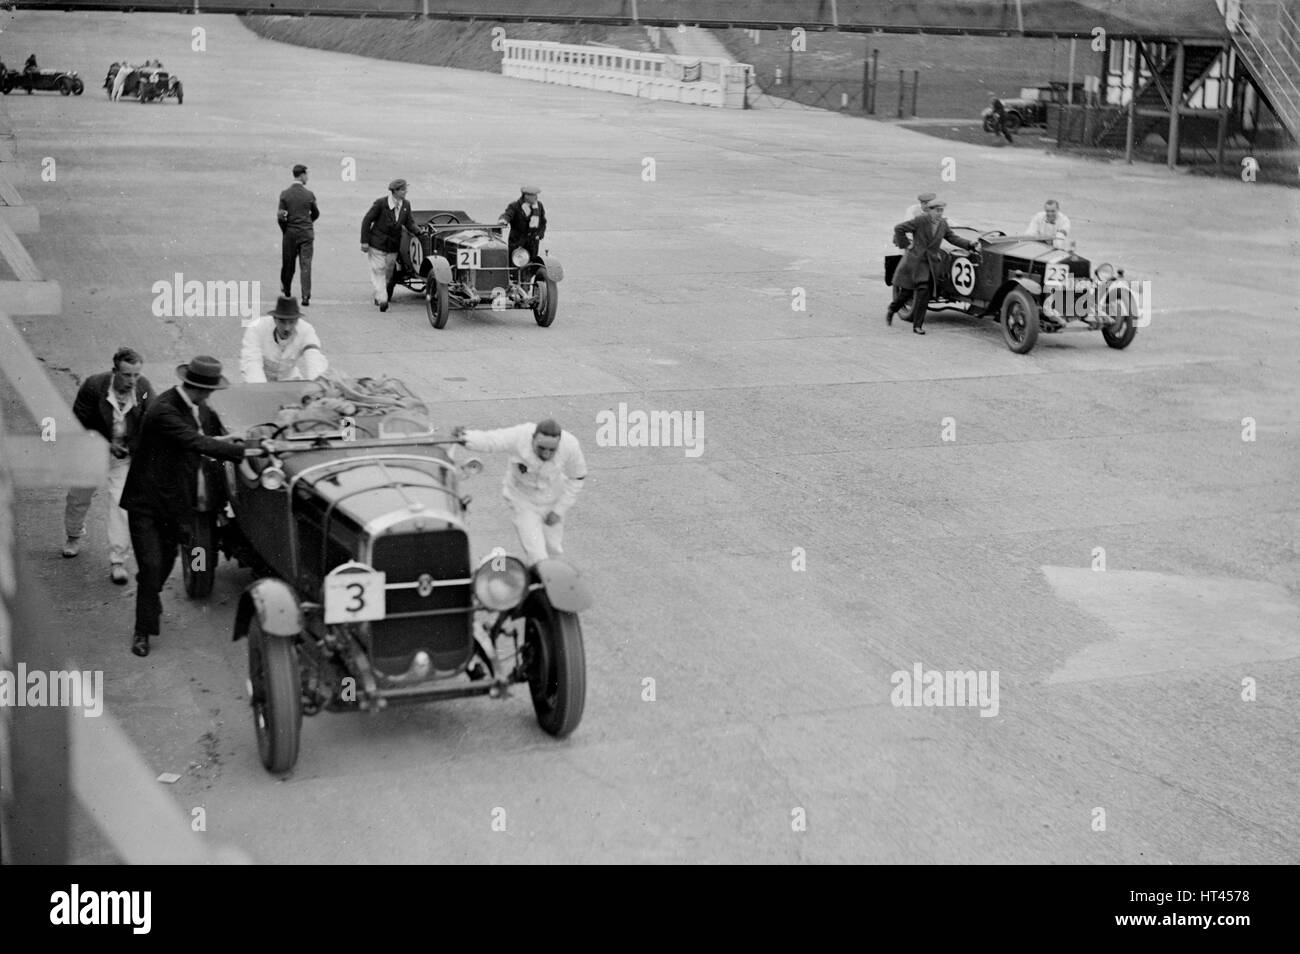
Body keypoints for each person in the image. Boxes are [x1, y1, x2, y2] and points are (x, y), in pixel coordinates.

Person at [118, 356, 264, 658]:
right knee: (152, 565)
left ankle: (150, 591)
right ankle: (142, 631)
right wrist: (246, 450)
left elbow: (198, 438)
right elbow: (195, 442)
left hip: (174, 502)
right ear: (198, 388)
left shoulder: (192, 406)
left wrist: (226, 438)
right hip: (146, 503)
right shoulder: (164, 411)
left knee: (167, 558)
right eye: (209, 391)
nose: (210, 397)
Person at [61, 348, 153, 585]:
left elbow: (151, 423)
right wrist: (105, 444)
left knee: (122, 505)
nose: (133, 381)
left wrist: (131, 448)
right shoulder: (94, 386)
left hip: (123, 457)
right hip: (91, 453)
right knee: (77, 498)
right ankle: (73, 535)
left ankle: (118, 560)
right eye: (127, 375)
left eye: (136, 375)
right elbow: (78, 423)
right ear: (115, 372)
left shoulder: (143, 389)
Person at [451, 419, 587, 565]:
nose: (546, 454)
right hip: (523, 500)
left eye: (552, 450)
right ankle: (541, 577)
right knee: (537, 553)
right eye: (541, 448)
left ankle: (551, 580)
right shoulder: (521, 435)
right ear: (533, 438)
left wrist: (559, 510)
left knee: (553, 549)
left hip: (552, 500)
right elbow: (493, 440)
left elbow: (578, 477)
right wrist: (466, 438)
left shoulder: (570, 445)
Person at [886, 196, 977, 335]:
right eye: (938, 211)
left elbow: (953, 238)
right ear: (930, 211)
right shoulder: (920, 221)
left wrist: (969, 244)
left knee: (923, 292)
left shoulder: (942, 224)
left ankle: (917, 325)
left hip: (930, 263)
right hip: (915, 261)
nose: (940, 214)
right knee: (906, 292)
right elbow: (899, 228)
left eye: (942, 211)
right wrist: (906, 244)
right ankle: (892, 309)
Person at [240, 295, 328, 383]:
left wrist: (318, 384)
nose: (287, 328)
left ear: (297, 320)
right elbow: (251, 361)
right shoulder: (256, 327)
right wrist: (261, 390)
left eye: (291, 322)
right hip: (260, 380)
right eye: (282, 321)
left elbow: (314, 357)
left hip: (290, 380)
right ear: (274, 319)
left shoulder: (306, 330)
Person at [360, 178, 417, 312]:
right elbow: (367, 220)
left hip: (393, 246)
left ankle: (380, 294)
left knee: (389, 273)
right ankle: (383, 299)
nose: (405, 191)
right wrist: (364, 241)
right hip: (377, 244)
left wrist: (419, 232)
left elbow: (409, 223)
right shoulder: (381, 203)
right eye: (403, 189)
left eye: (405, 189)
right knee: (378, 270)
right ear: (395, 191)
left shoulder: (406, 205)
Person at [278, 164, 319, 305]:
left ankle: (287, 290)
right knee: (305, 264)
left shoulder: (285, 194)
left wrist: (286, 229)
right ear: (301, 175)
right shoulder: (309, 194)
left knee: (288, 263)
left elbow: (280, 216)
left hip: (290, 233)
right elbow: (316, 213)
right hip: (306, 234)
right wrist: (308, 223)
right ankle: (306, 296)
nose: (307, 177)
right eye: (306, 175)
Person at [497, 186, 547, 264]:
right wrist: (503, 221)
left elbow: (543, 222)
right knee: (515, 263)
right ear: (526, 196)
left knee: (531, 263)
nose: (536, 197)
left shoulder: (539, 206)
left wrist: (540, 234)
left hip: (533, 242)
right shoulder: (515, 206)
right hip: (517, 242)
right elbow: (507, 215)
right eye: (533, 196)